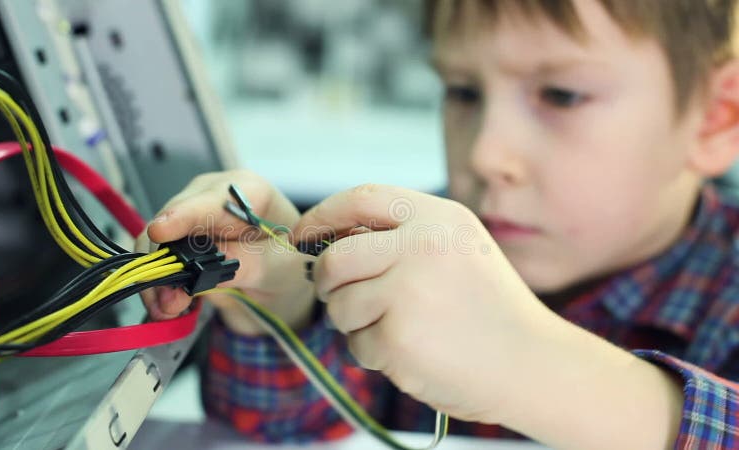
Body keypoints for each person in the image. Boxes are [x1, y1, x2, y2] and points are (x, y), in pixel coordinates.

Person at [136, 0, 739, 448]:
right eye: (463, 92)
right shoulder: (413, 253)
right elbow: (278, 429)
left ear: (715, 119)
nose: (484, 154)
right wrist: (288, 309)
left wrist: (531, 364)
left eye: (561, 94)